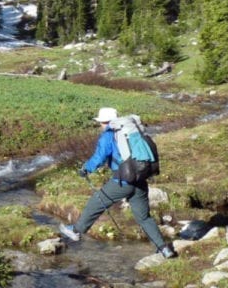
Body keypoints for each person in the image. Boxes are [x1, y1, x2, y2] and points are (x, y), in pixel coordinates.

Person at [59, 107, 177, 259]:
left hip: (122, 182)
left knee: (96, 201)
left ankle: (76, 231)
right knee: (144, 218)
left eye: (101, 122)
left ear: (105, 122)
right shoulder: (131, 131)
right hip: (140, 181)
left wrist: (85, 169)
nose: (100, 125)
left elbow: (99, 157)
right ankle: (164, 249)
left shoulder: (109, 134)